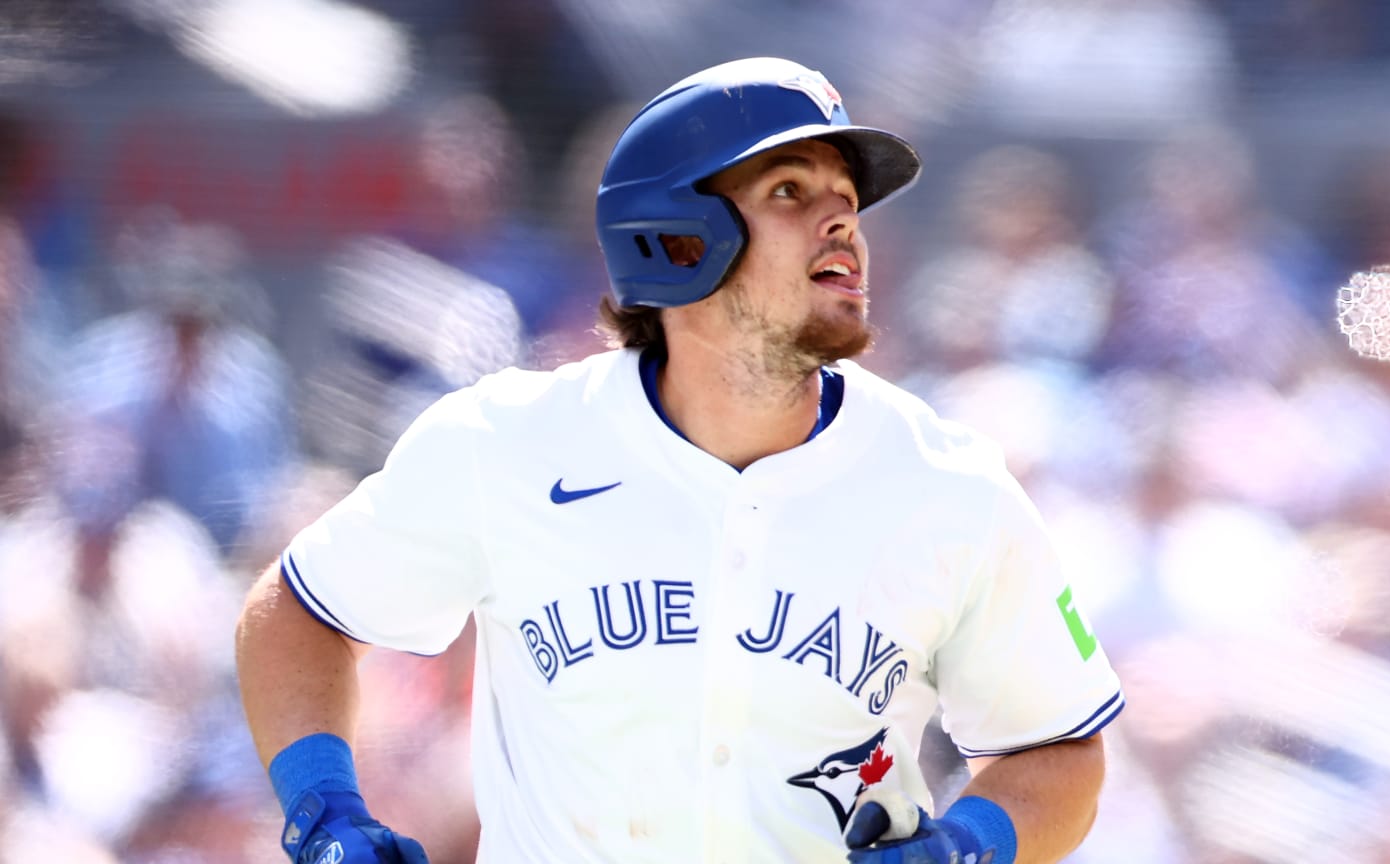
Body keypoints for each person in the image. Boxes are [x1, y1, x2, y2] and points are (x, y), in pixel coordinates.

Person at [234, 56, 1124, 864]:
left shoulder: (951, 485)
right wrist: (325, 817)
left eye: (847, 201)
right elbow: (297, 611)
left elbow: (1060, 749)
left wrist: (965, 847)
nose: (844, 224)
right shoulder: (503, 444)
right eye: (789, 191)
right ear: (675, 235)